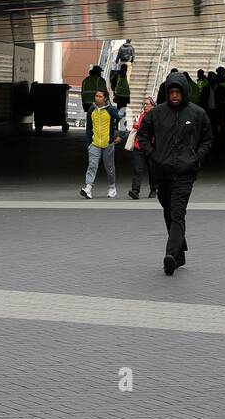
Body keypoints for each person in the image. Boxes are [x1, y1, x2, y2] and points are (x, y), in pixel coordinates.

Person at [138, 72, 213, 274]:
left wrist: (196, 158)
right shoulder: (157, 113)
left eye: (177, 91)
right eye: (171, 91)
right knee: (168, 211)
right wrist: (154, 156)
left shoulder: (197, 114)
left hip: (185, 174)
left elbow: (207, 139)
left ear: (184, 92)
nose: (174, 95)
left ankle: (170, 256)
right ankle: (180, 253)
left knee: (177, 213)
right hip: (162, 173)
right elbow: (142, 136)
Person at [81, 89, 122, 199]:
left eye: (100, 96)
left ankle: (112, 188)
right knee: (92, 166)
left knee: (109, 167)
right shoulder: (91, 109)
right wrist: (89, 143)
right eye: (96, 96)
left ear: (105, 98)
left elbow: (122, 120)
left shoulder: (111, 110)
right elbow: (89, 128)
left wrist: (120, 136)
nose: (97, 98)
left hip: (108, 144)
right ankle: (88, 188)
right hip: (94, 144)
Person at [128, 96, 157, 200]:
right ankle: (135, 190)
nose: (145, 106)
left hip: (150, 147)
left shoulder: (156, 117)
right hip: (139, 146)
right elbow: (138, 130)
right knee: (137, 169)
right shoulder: (141, 116)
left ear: (153, 105)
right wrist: (135, 125)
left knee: (152, 170)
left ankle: (153, 189)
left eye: (147, 104)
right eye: (144, 104)